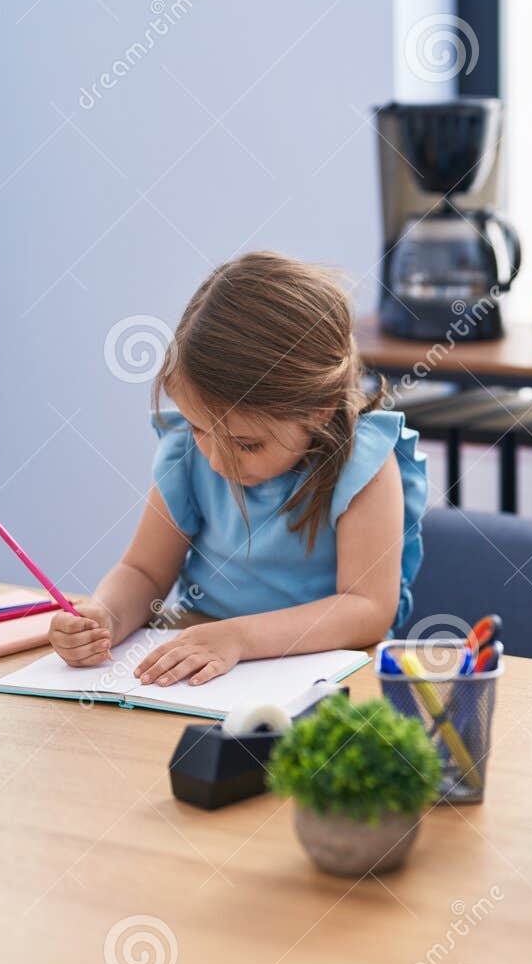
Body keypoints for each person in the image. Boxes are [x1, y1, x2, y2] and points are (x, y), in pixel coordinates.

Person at [48, 251, 427, 685]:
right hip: (204, 657)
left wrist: (240, 638)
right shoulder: (186, 455)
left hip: (326, 668)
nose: (215, 459)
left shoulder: (366, 466)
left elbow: (367, 609)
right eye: (198, 428)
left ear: (319, 410)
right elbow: (143, 572)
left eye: (247, 444)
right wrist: (104, 618)